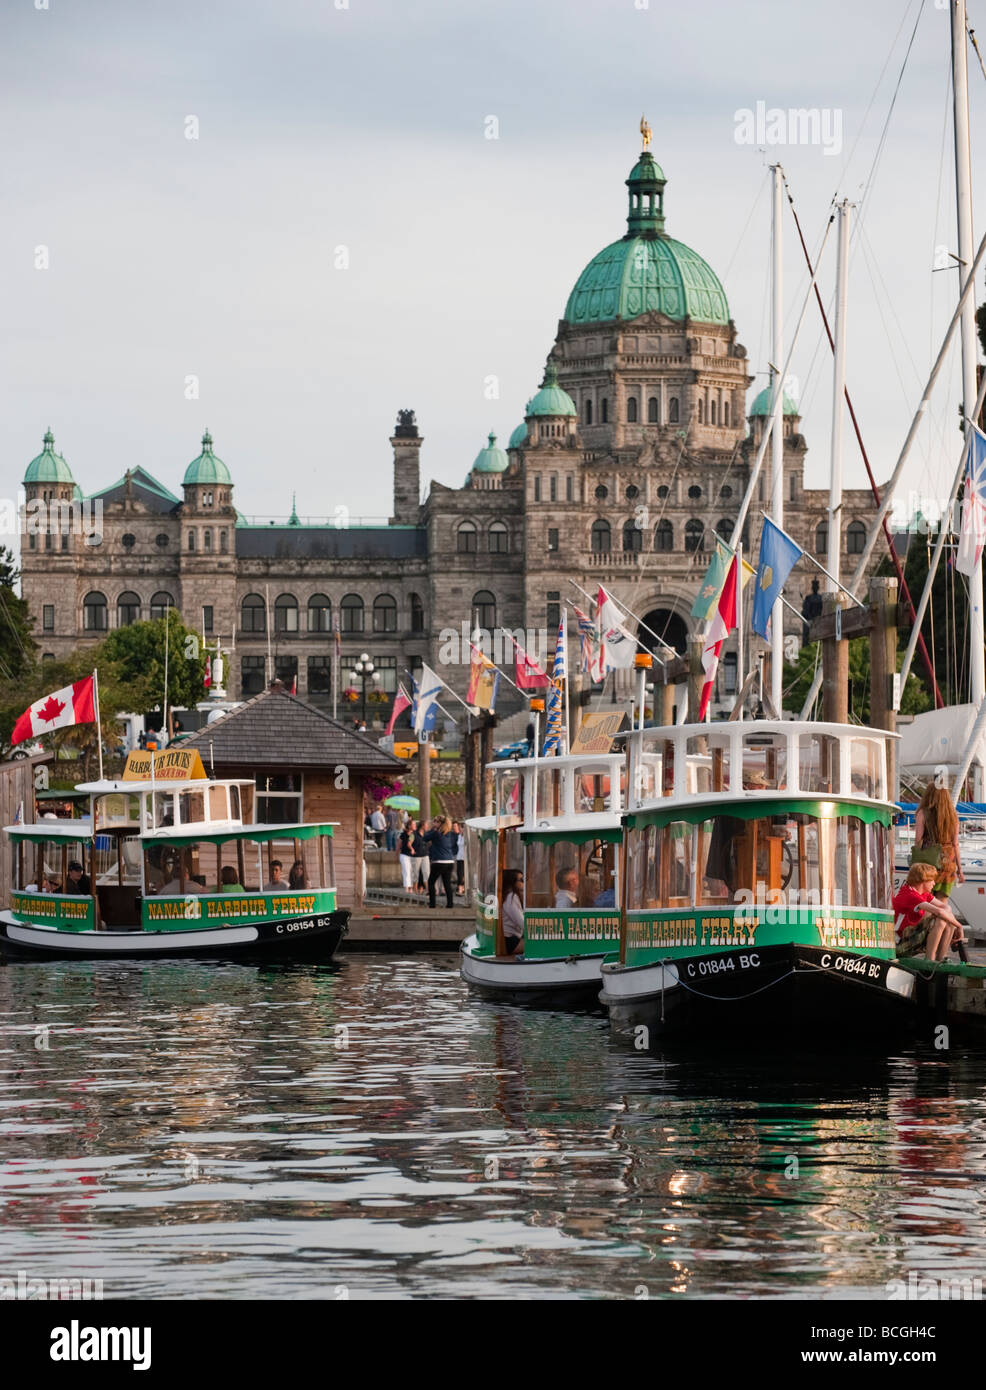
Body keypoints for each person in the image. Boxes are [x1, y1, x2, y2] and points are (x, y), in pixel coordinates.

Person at [894, 862, 966, 961]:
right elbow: (939, 912)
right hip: (900, 944)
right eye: (932, 880)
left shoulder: (923, 894)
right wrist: (959, 926)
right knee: (941, 919)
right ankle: (930, 960)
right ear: (923, 880)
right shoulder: (910, 895)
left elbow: (946, 908)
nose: (934, 883)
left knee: (948, 920)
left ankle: (941, 958)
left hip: (911, 937)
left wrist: (954, 924)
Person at [913, 782, 964, 903]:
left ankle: (927, 921)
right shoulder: (953, 816)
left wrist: (916, 861)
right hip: (948, 864)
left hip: (928, 863)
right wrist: (960, 870)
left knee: (927, 902)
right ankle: (941, 922)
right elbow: (955, 844)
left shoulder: (923, 813)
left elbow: (918, 840)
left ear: (929, 795)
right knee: (942, 904)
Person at [424, 815, 457, 908]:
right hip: (449, 861)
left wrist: (432, 829)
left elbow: (425, 837)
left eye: (435, 821)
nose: (433, 823)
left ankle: (432, 904)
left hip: (439, 861)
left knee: (431, 882)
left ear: (439, 823)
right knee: (447, 883)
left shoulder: (436, 833)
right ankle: (450, 904)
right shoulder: (449, 834)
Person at [502, 869, 525, 955]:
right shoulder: (511, 896)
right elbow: (521, 922)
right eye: (521, 880)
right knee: (540, 943)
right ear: (512, 882)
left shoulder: (507, 895)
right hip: (511, 941)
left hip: (509, 939)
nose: (524, 882)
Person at [399, 819, 422, 893]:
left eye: (415, 824)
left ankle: (411, 887)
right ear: (409, 826)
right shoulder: (404, 834)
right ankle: (407, 887)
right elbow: (399, 844)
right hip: (404, 854)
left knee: (412, 871)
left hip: (413, 856)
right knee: (406, 871)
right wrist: (396, 853)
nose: (415, 826)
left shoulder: (416, 834)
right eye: (413, 824)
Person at [453, 820, 466, 895]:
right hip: (459, 857)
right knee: (459, 873)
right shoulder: (459, 836)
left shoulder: (466, 837)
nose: (461, 829)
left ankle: (461, 888)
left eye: (462, 828)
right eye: (460, 828)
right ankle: (461, 887)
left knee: (463, 874)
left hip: (464, 858)